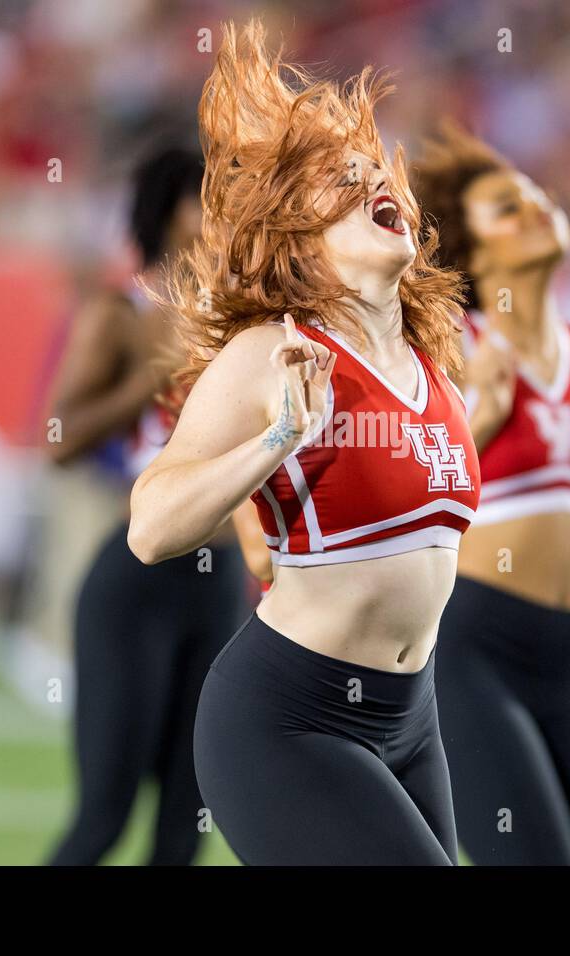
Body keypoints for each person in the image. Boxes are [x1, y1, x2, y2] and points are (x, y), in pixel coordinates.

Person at [128, 21, 478, 865]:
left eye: (375, 171)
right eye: (343, 181)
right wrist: (277, 440)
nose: (376, 180)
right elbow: (150, 527)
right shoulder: (272, 354)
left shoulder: (434, 368)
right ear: (299, 239)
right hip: (288, 719)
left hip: (412, 717)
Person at [413, 123, 570, 864]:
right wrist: (481, 417)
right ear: (472, 253)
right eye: (507, 207)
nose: (537, 208)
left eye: (539, 196)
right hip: (476, 650)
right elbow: (407, 499)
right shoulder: (448, 351)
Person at [45, 147, 260, 865]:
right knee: (103, 818)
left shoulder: (251, 317)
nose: (226, 217)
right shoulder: (123, 312)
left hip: (222, 586)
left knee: (186, 828)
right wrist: (147, 382)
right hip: (138, 580)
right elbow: (57, 439)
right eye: (209, 200)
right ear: (169, 212)